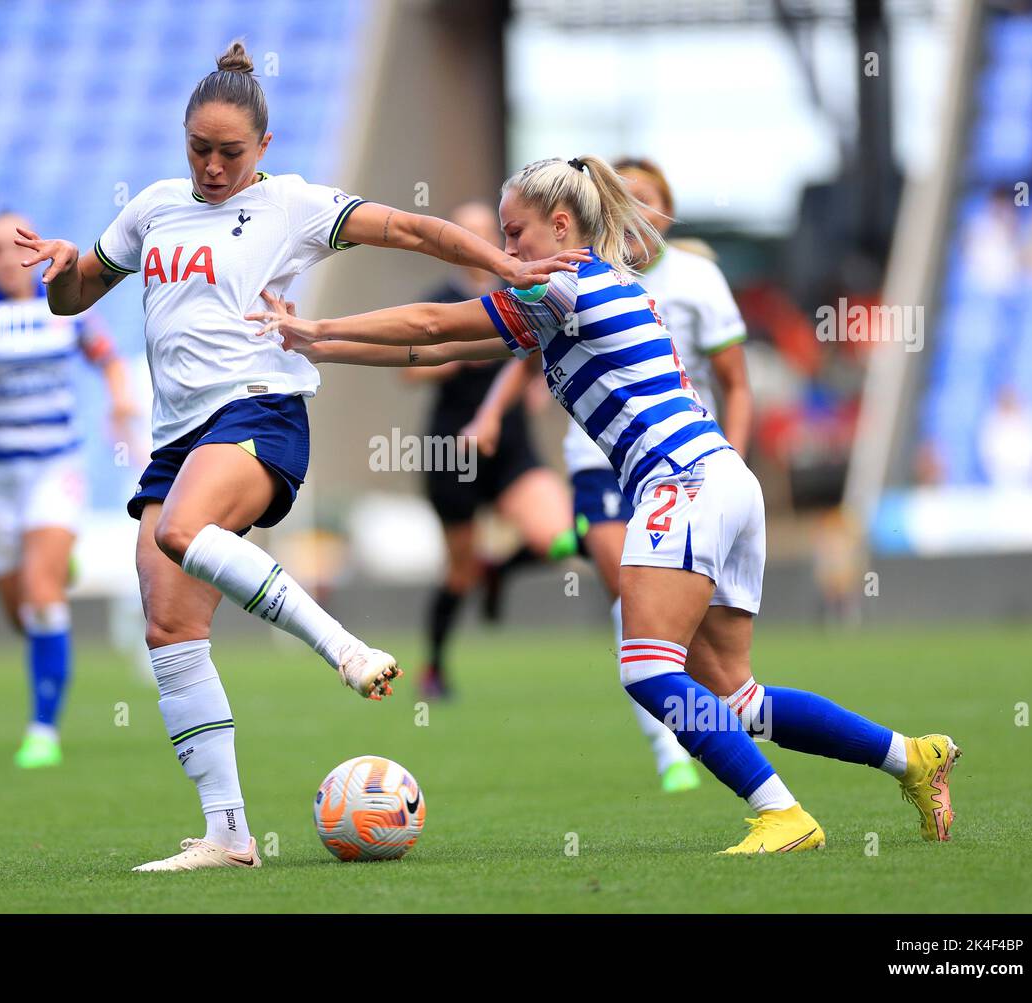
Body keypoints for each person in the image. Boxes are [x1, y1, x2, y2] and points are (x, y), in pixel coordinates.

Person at [251, 155, 961, 853]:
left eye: (514, 233)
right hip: (720, 479)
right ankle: (911, 757)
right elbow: (438, 346)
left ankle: (782, 814)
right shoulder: (593, 283)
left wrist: (319, 331)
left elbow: (437, 325)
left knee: (650, 670)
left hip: (680, 481)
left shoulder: (561, 287)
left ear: (561, 225)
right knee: (737, 697)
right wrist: (322, 341)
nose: (506, 251)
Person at [12, 42, 585, 871]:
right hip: (178, 437)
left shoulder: (294, 206)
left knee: (180, 529)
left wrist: (501, 263)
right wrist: (63, 270)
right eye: (198, 148)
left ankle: (342, 648)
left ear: (265, 149)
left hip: (258, 411)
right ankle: (229, 835)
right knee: (170, 628)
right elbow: (73, 299)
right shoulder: (152, 209)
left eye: (230, 153)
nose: (211, 166)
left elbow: (411, 228)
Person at [462, 158, 753, 794]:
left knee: (700, 676)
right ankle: (672, 747)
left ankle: (774, 785)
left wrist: (732, 462)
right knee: (650, 625)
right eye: (628, 199)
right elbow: (515, 348)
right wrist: (489, 412)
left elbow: (735, 380)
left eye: (648, 200)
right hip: (605, 460)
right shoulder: (573, 283)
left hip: (686, 468)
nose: (637, 213)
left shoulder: (675, 279)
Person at [0, 210, 136, 769]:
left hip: (53, 468)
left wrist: (120, 401)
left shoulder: (63, 302)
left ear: (31, 251)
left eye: (13, 247)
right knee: (22, 613)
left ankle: (43, 730)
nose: (3, 259)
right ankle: (56, 570)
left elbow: (108, 361)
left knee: (42, 598)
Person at [406, 201, 576, 698]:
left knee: (559, 539)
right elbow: (410, 369)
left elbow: (544, 351)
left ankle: (497, 571)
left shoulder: (520, 292)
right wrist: (461, 351)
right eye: (469, 234)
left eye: (491, 233)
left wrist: (540, 383)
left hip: (510, 440)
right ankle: (434, 667)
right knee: (457, 567)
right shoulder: (440, 302)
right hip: (450, 447)